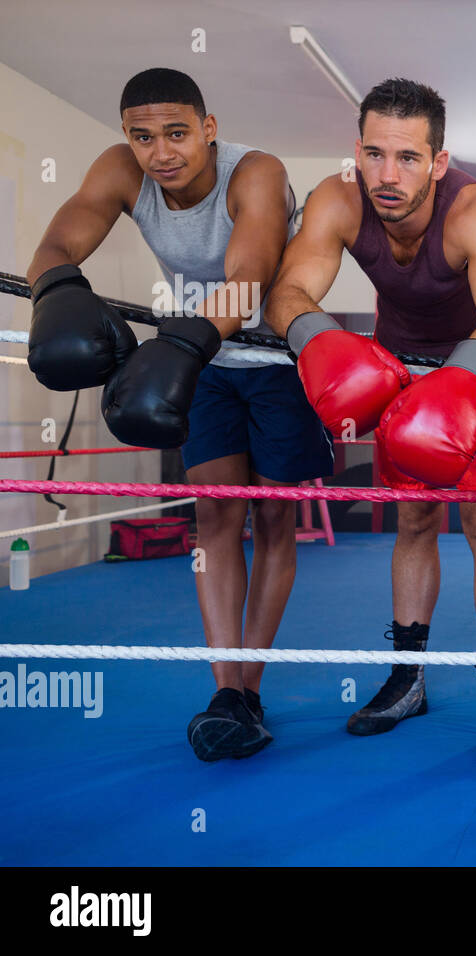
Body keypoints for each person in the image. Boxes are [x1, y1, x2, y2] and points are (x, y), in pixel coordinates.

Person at [25, 67, 332, 762]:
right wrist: (57, 291)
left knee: (275, 521)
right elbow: (57, 246)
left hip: (275, 361)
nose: (161, 151)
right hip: (205, 368)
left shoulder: (255, 171)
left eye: (176, 133)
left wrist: (183, 343)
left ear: (208, 129)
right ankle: (230, 694)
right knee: (215, 517)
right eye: (142, 136)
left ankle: (250, 682)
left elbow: (249, 271)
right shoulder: (121, 171)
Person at [263, 78, 476, 769]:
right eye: (376, 154)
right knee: (412, 522)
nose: (389, 175)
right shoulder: (339, 199)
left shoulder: (474, 210)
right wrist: (320, 344)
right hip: (396, 375)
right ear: (357, 150)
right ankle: (407, 677)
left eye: (409, 157)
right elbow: (289, 291)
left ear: (438, 161)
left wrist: (462, 378)